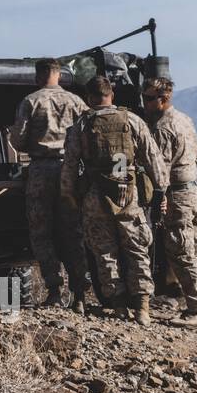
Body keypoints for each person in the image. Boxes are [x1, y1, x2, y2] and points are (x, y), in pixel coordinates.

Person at [62, 75, 168, 325]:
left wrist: (68, 195)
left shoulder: (81, 125)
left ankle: (119, 305)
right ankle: (142, 307)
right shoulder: (132, 120)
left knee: (105, 252)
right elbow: (153, 158)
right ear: (112, 95)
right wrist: (160, 191)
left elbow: (68, 166)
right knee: (137, 248)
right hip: (127, 193)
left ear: (89, 99)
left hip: (94, 196)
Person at [11, 58, 89, 313]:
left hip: (41, 169)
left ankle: (55, 291)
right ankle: (79, 295)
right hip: (70, 170)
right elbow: (90, 135)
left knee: (42, 232)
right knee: (73, 232)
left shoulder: (31, 101)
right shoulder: (77, 102)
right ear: (60, 75)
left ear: (38, 76)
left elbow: (19, 141)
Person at [144, 77, 197, 327]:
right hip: (195, 190)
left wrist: (159, 196)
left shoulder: (163, 128)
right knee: (196, 248)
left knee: (181, 251)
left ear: (163, 99)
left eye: (149, 98)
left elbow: (160, 168)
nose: (146, 103)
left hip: (178, 194)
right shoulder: (185, 120)